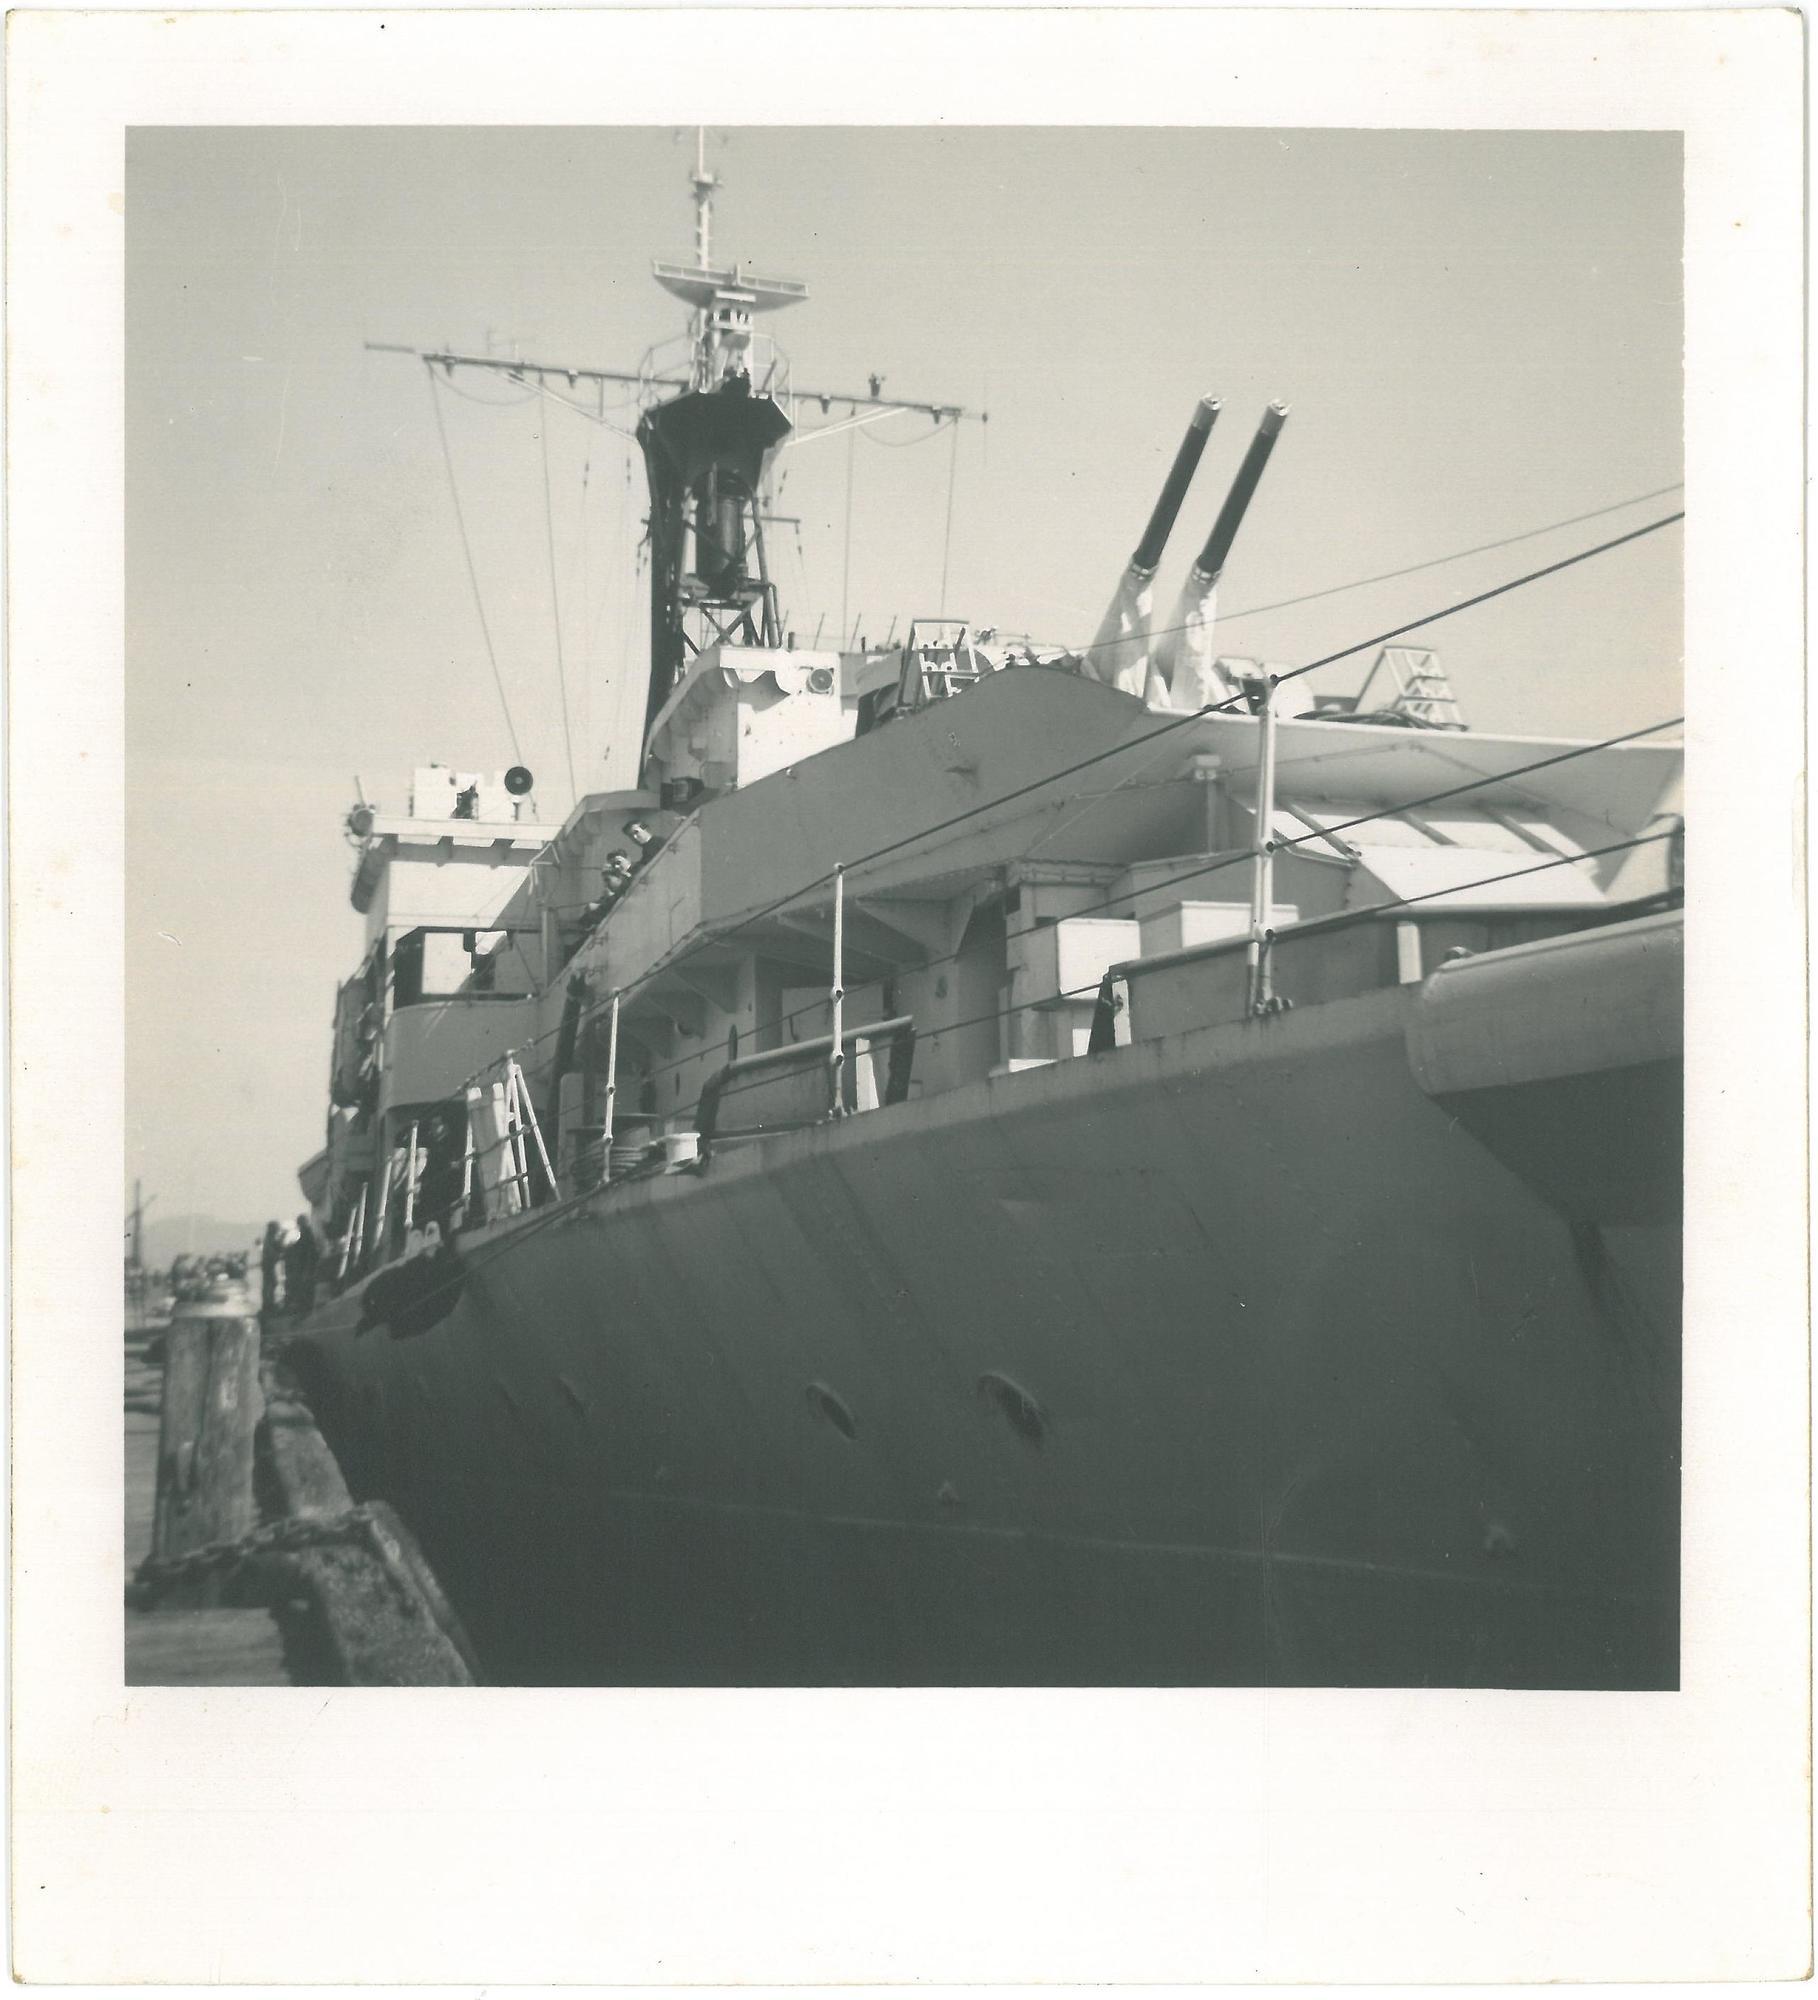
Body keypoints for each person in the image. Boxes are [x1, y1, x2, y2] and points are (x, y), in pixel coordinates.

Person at [283, 1211, 321, 1317]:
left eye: (300, 1224)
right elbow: (301, 1245)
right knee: (304, 1289)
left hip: (307, 1268)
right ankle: (303, 1311)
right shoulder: (307, 1234)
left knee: (306, 1289)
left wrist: (307, 1269)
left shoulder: (308, 1234)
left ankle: (304, 1313)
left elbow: (310, 1251)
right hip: (306, 1267)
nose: (299, 1227)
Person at [259, 1220, 284, 1316]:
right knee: (270, 1284)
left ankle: (269, 1303)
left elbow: (278, 1247)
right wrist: (279, 1256)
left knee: (271, 1283)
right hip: (268, 1264)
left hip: (269, 1264)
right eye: (276, 1228)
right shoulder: (269, 1239)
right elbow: (272, 1252)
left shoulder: (270, 1238)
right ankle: (268, 1305)